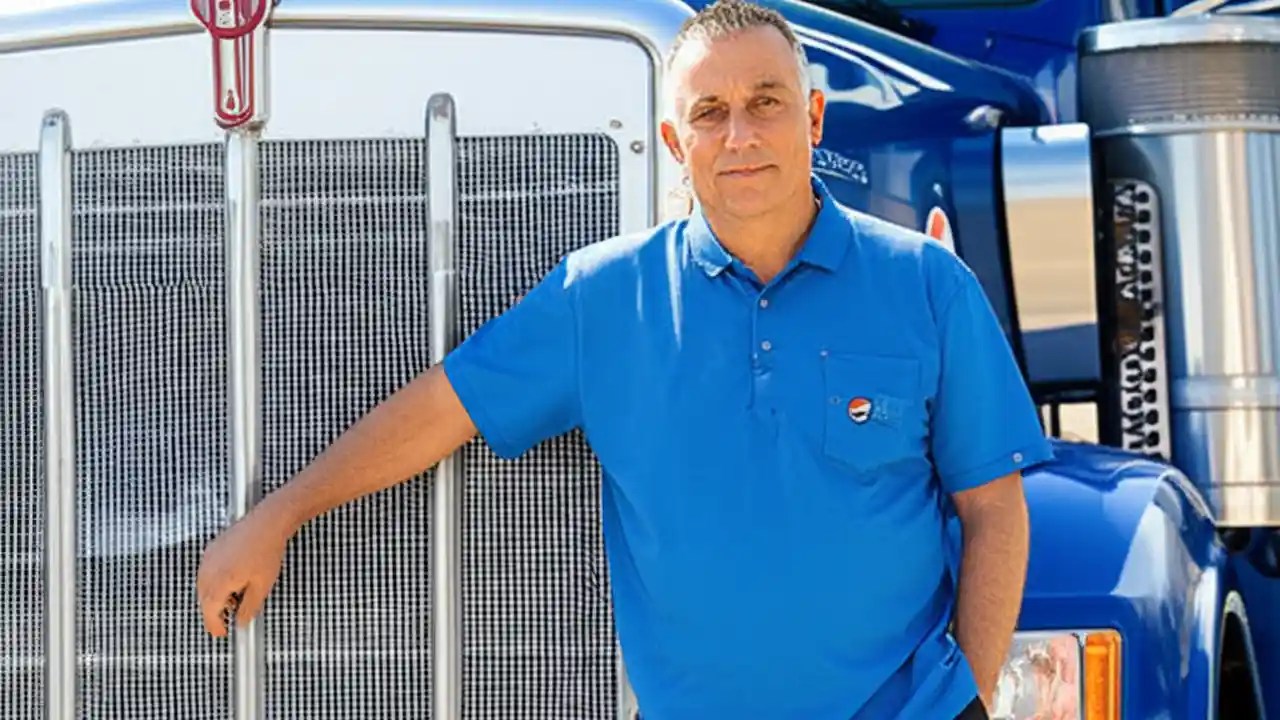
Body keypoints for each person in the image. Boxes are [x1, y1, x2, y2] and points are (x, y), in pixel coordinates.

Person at [195, 1, 1053, 718]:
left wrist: (969, 697)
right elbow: (442, 408)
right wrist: (281, 512)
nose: (741, 133)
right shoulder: (601, 298)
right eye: (709, 114)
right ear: (675, 144)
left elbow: (994, 510)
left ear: (813, 117)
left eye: (766, 102)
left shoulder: (927, 284)